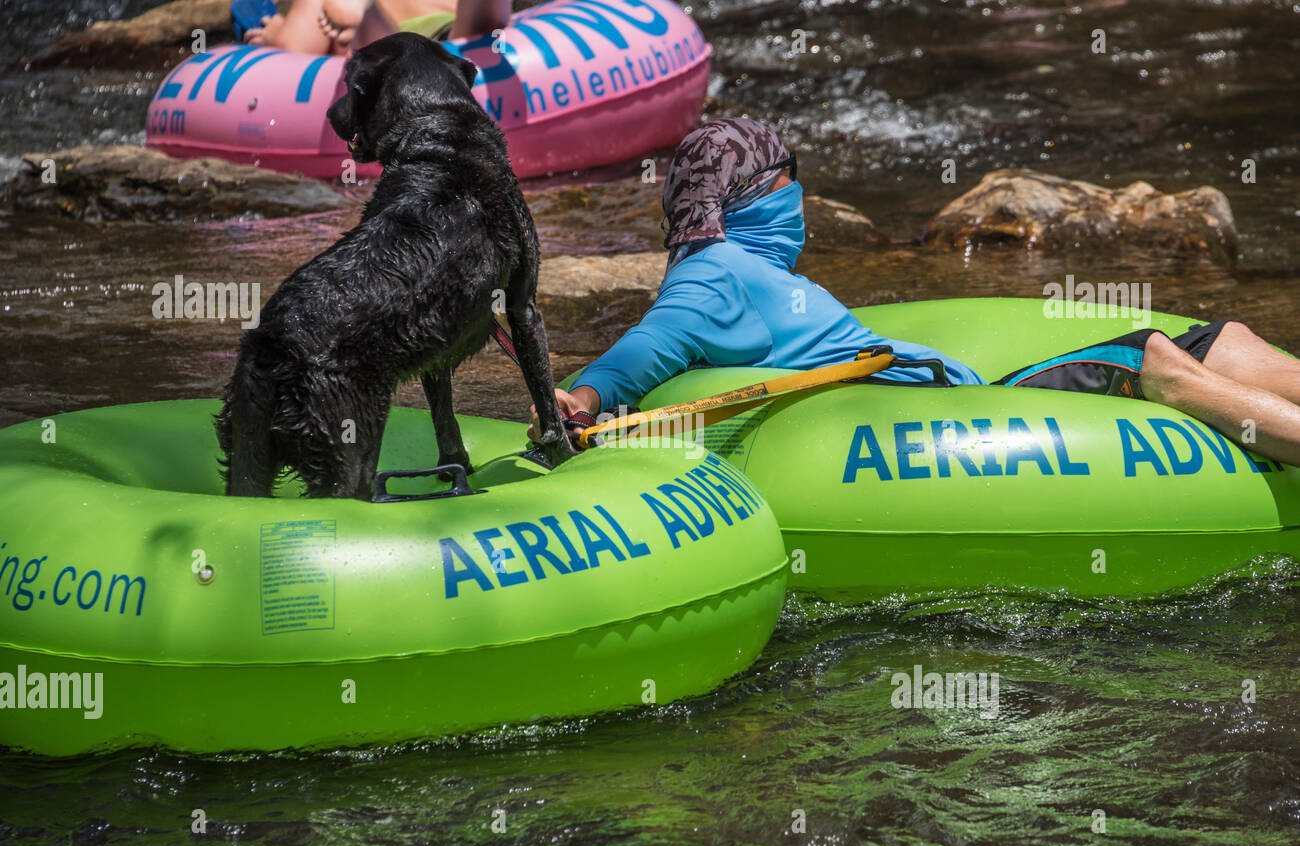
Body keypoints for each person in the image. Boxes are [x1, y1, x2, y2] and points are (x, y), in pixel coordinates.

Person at [530, 117, 1300, 468]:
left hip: (964, 393)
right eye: (792, 188)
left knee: (1224, 337)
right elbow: (646, 350)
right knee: (1152, 355)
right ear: (757, 195)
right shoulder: (714, 273)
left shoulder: (737, 268)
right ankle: (1205, 398)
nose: (801, 205)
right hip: (951, 417)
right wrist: (583, 397)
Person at [242, 0, 512, 54]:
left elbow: (293, 55)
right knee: (479, 31)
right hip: (449, 29)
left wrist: (278, 33)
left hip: (393, 36)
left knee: (387, 53)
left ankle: (367, 12)